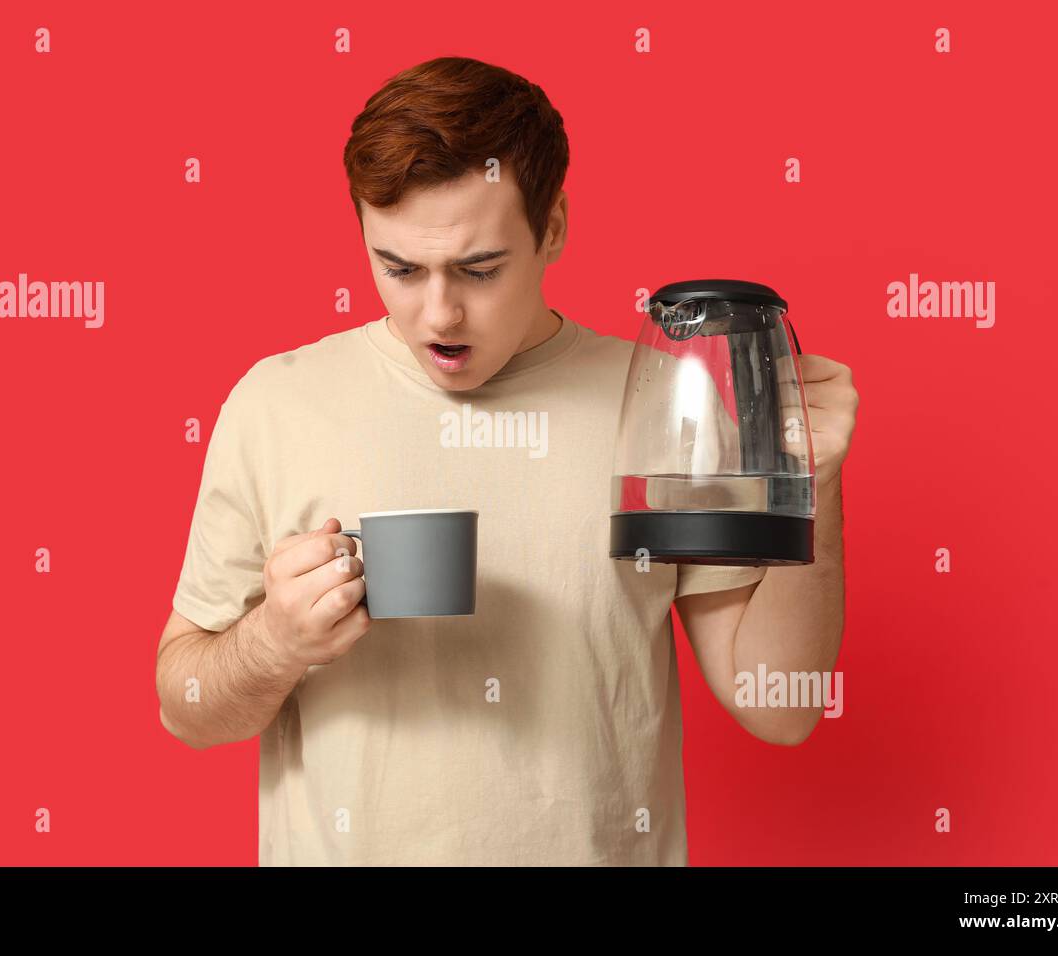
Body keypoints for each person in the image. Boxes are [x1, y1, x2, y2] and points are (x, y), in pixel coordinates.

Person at [155, 56, 858, 866]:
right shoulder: (274, 405)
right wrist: (275, 640)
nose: (439, 313)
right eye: (400, 269)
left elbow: (779, 706)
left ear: (553, 228)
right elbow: (187, 706)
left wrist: (816, 485)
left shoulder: (657, 401)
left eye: (479, 270)